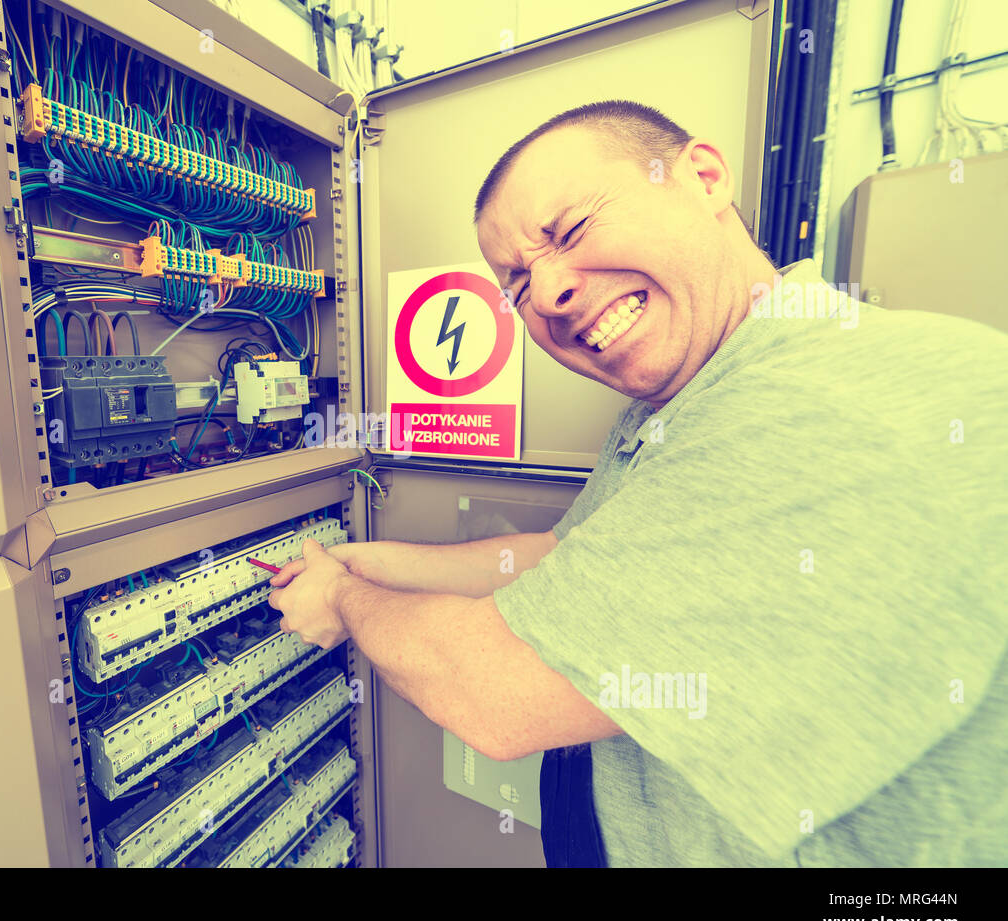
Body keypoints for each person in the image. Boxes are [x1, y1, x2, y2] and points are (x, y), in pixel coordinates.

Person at [267, 100, 1008, 867]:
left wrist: (344, 602)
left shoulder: (830, 396)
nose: (547, 290)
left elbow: (490, 692)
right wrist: (364, 562)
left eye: (571, 230)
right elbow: (563, 551)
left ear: (703, 177)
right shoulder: (687, 395)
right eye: (516, 281)